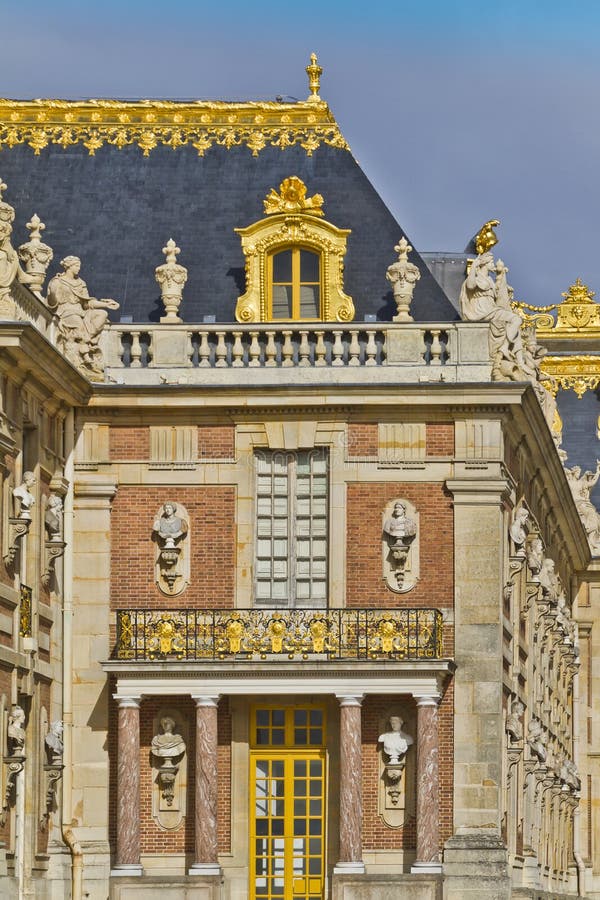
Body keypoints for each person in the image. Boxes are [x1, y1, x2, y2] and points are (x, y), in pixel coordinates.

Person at [46, 256, 119, 374]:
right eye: (76, 266)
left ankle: (85, 342)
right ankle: (85, 354)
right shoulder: (57, 281)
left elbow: (87, 303)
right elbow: (52, 303)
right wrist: (53, 293)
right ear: (69, 266)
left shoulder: (80, 283)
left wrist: (106, 305)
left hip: (81, 311)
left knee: (102, 314)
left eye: (79, 266)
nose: (78, 269)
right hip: (66, 311)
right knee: (78, 323)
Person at [459, 252, 525, 374]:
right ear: (485, 263)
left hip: (492, 309)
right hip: (482, 311)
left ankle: (508, 350)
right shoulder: (478, 278)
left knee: (516, 320)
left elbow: (498, 296)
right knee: (515, 320)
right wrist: (473, 266)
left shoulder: (489, 279)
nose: (493, 265)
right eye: (491, 262)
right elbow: (470, 285)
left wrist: (502, 277)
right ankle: (509, 352)